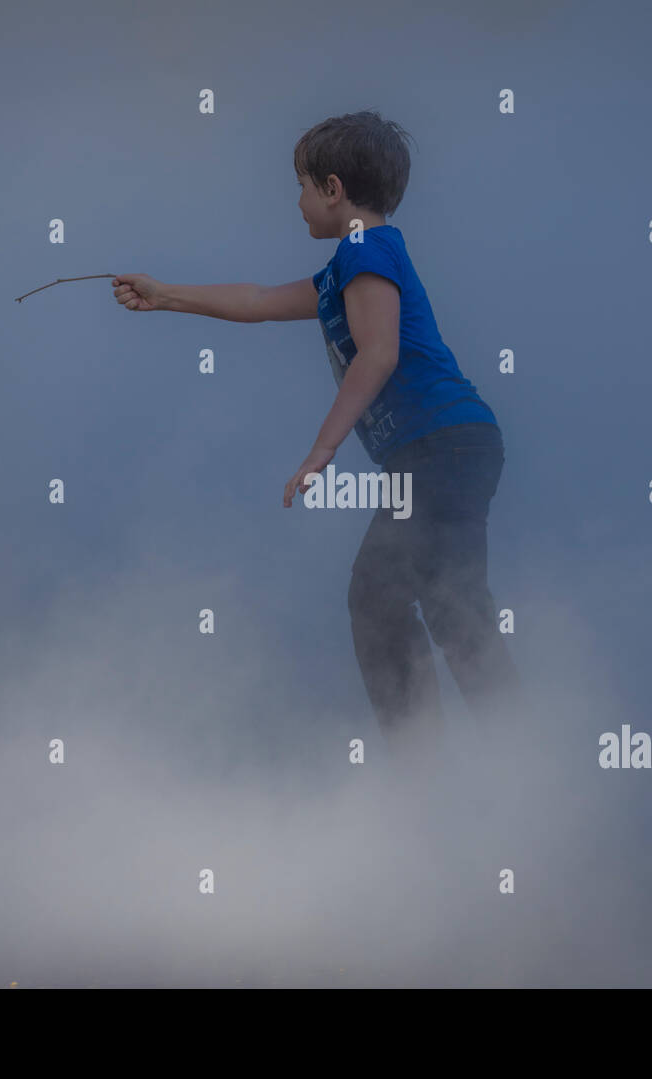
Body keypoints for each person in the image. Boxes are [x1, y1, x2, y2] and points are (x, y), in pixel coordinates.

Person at [112, 110, 519, 763]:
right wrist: (167, 295)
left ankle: (440, 762)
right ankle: (503, 750)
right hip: (453, 447)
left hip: (443, 446)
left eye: (300, 186)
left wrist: (322, 449)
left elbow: (379, 353)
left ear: (333, 189)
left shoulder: (365, 248)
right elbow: (256, 300)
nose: (296, 202)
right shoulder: (346, 268)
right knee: (441, 595)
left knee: (386, 594)